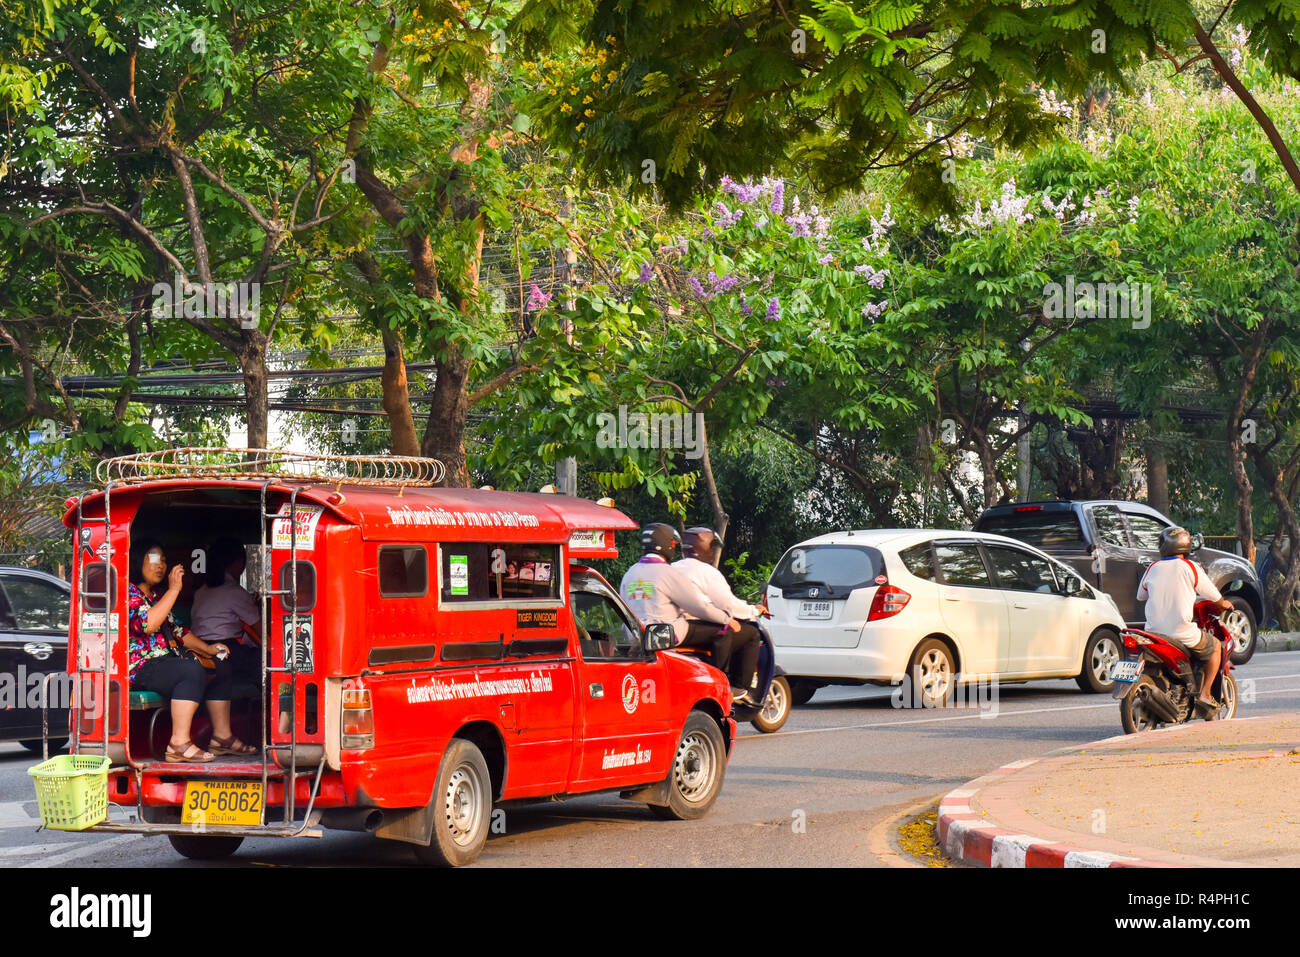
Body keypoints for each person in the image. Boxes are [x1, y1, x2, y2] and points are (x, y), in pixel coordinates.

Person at [128, 541, 256, 762]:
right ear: (139, 560)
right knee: (190, 671)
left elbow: (179, 631)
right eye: (155, 559)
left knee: (220, 665)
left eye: (164, 560)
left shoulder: (157, 596)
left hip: (165, 662)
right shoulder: (127, 592)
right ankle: (178, 743)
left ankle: (222, 738)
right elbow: (147, 624)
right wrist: (175, 590)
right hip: (141, 667)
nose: (161, 566)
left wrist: (208, 648)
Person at [619, 524, 754, 705]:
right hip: (667, 634)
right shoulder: (666, 573)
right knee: (722, 630)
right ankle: (718, 685)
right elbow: (698, 607)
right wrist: (727, 619)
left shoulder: (631, 573)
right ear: (668, 545)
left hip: (635, 637)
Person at [1136, 526, 1234, 715]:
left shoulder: (1153, 567)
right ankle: (1205, 695)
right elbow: (1213, 595)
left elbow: (1141, 595)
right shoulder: (1190, 567)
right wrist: (1224, 604)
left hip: (1153, 633)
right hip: (1180, 632)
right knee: (1215, 647)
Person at [673, 527, 764, 701]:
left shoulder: (672, 568)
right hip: (696, 629)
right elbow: (728, 604)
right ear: (705, 547)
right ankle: (736, 686)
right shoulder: (706, 572)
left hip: (675, 627)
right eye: (713, 547)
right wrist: (753, 610)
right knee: (749, 633)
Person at [191, 537, 262, 681]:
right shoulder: (235, 592)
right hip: (225, 650)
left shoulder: (201, 591)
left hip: (197, 648)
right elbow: (260, 629)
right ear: (237, 563)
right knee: (265, 660)